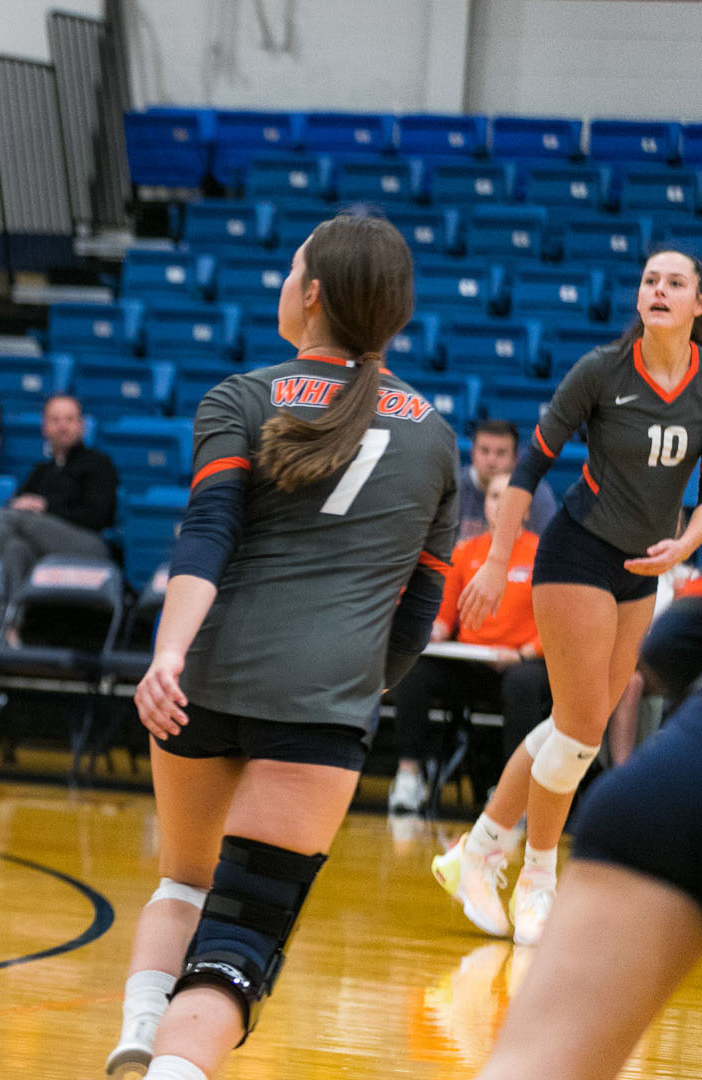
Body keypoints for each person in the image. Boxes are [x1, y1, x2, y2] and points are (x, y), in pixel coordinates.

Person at [109, 214, 456, 1080]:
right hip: (324, 708)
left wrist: (168, 656)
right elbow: (419, 610)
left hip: (206, 681)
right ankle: (172, 1069)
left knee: (183, 885)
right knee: (240, 940)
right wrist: (355, 686)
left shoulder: (242, 394)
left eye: (290, 265)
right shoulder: (435, 435)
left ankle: (140, 1035)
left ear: (310, 294)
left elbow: (206, 534)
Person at [435, 247, 702, 947]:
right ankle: (534, 873)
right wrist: (497, 560)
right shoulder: (601, 371)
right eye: (650, 279)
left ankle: (480, 849)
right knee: (582, 726)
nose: (659, 289)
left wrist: (685, 546)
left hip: (642, 571)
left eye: (675, 283)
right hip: (577, 552)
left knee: (573, 732)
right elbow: (528, 468)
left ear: (699, 305)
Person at [471, 576, 702, 1080]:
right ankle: (488, 851)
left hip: (663, 788)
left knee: (532, 1066)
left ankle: (491, 850)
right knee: (570, 729)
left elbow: (669, 646)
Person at [386, 472, 550, 813]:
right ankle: (409, 775)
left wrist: (522, 654)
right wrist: (438, 630)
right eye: (493, 497)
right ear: (483, 505)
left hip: (523, 663)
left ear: (526, 508)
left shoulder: (544, 554)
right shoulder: (466, 552)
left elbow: (556, 624)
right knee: (412, 669)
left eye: (509, 498)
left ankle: (512, 795)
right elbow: (445, 616)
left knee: (523, 683)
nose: (500, 505)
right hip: (471, 660)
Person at [0, 394, 118, 583]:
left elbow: (97, 517)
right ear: (44, 427)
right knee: (15, 548)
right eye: (55, 420)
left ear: (81, 425)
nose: (62, 426)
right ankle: (8, 611)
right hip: (45, 542)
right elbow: (19, 503)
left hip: (90, 543)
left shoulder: (99, 463)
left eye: (69, 419)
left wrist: (45, 507)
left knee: (10, 516)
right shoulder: (41, 470)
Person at [457, 419, 556, 541]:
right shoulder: (454, 487)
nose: (491, 461)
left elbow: (547, 548)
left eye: (500, 453)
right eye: (484, 451)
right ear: (473, 454)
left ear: (515, 459)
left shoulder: (534, 493)